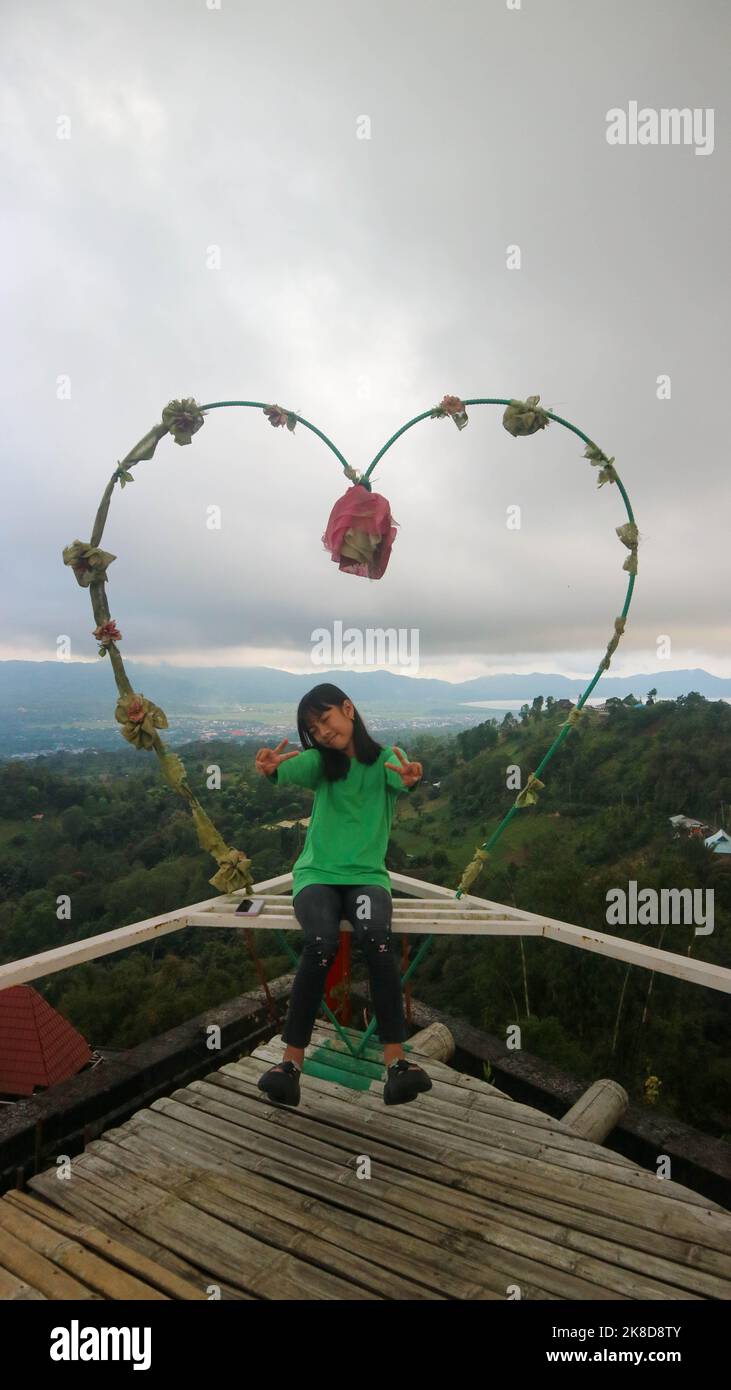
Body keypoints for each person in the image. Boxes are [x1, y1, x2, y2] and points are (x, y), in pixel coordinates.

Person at [254, 682, 433, 1108]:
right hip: (317, 876)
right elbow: (290, 770)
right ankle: (290, 1065)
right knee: (320, 943)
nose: (322, 732)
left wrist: (411, 779)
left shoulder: (385, 760)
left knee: (377, 939)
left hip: (367, 877)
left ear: (348, 709)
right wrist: (272, 767)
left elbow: (402, 778)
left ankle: (396, 1064)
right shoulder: (321, 764)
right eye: (313, 729)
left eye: (326, 718)